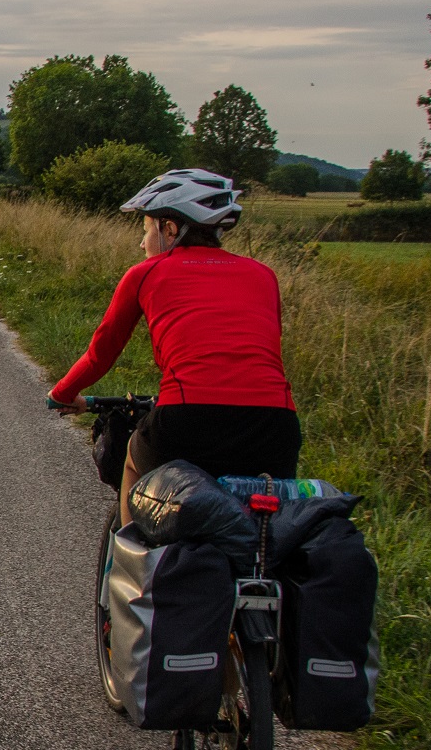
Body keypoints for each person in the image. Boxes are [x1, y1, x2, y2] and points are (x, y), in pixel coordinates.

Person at [47, 169, 298, 526]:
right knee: (266, 521)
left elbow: (100, 355)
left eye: (146, 229)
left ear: (169, 229)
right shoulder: (263, 274)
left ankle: (129, 568)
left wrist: (62, 393)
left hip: (187, 418)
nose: (142, 242)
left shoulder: (146, 273)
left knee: (134, 464)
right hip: (275, 425)